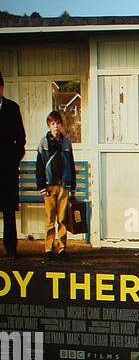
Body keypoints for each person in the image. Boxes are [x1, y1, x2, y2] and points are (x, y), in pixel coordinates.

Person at [35, 110, 76, 260]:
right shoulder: (43, 143)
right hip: (49, 186)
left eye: (58, 123)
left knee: (63, 218)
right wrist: (41, 186)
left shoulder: (66, 142)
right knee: (50, 218)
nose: (56, 126)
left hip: (64, 185)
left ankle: (62, 248)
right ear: (49, 125)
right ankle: (48, 248)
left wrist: (73, 186)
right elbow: (39, 166)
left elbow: (71, 164)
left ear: (61, 125)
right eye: (53, 124)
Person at [0, 72, 26, 259]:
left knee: (9, 211)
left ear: (2, 88)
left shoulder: (12, 108)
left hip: (8, 170)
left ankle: (11, 250)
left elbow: (21, 139)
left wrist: (13, 159)